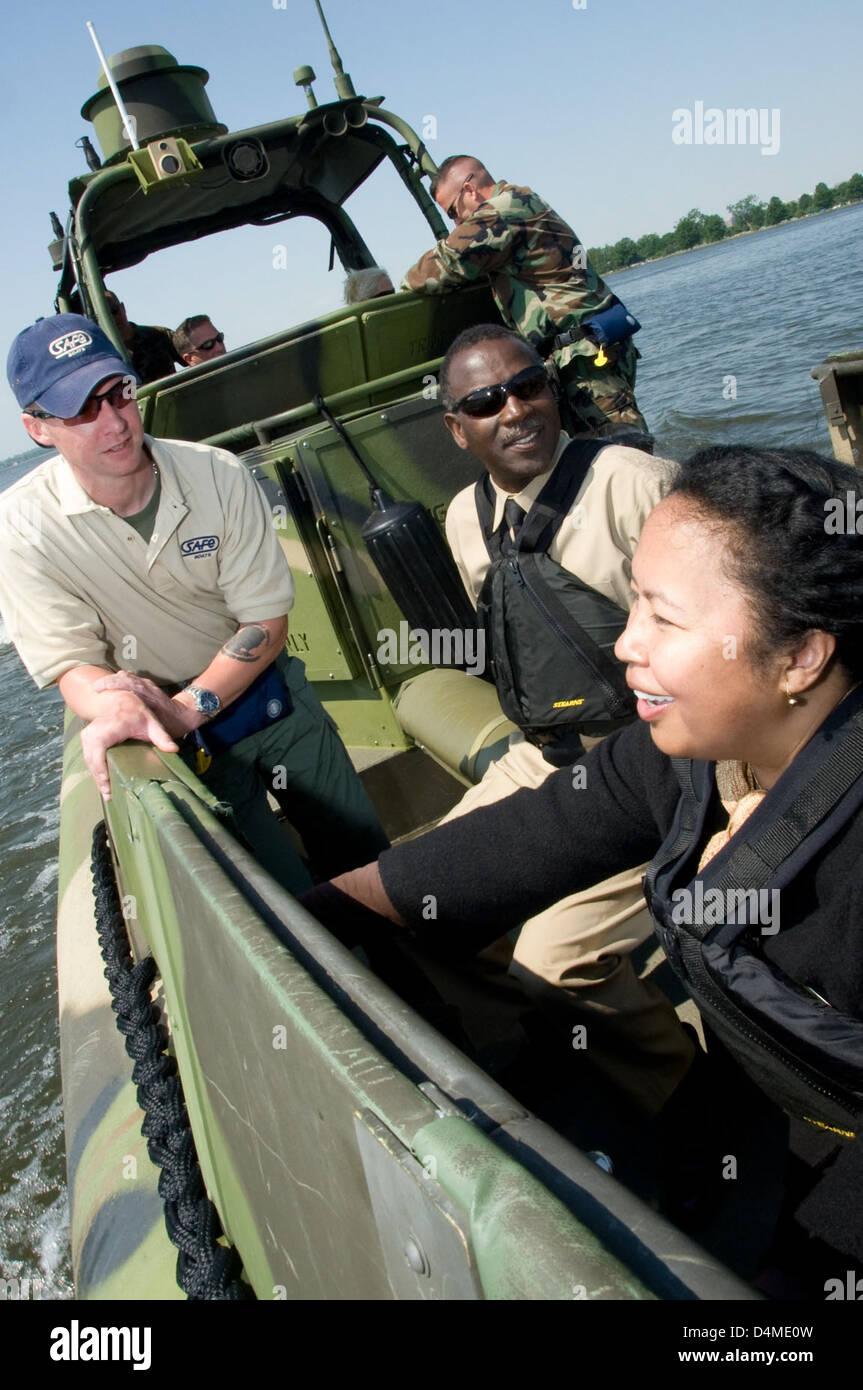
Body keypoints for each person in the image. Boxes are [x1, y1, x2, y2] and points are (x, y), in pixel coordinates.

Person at [307, 443, 863, 1283]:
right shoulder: (690, 757)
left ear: (799, 658)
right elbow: (531, 835)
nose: (623, 646)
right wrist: (309, 920)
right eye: (633, 603)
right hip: (765, 1113)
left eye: (663, 620)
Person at [1, 313, 388, 895]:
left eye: (118, 393)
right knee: (281, 906)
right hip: (182, 748)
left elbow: (265, 622)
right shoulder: (21, 528)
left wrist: (182, 708)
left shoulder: (217, 474)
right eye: (82, 409)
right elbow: (72, 663)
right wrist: (117, 707)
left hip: (272, 699)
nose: (113, 422)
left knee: (365, 857)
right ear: (37, 428)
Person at [425, 323, 690, 1112]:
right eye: (485, 400)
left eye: (530, 384)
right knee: (429, 899)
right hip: (543, 755)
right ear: (457, 427)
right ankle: (561, 1034)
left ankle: (685, 1098)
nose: (515, 409)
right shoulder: (462, 521)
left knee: (554, 960)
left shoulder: (634, 483)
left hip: (656, 758)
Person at [402, 155, 647, 439]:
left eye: (453, 212)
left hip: (583, 356)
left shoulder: (501, 211)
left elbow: (442, 264)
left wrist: (403, 285)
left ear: (469, 189)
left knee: (625, 448)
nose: (457, 223)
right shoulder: (520, 202)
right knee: (597, 453)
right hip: (587, 347)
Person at [104, 289, 179, 384]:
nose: (114, 319)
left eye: (115, 311)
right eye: (107, 315)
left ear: (123, 307)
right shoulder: (105, 356)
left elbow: (192, 356)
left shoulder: (159, 335)